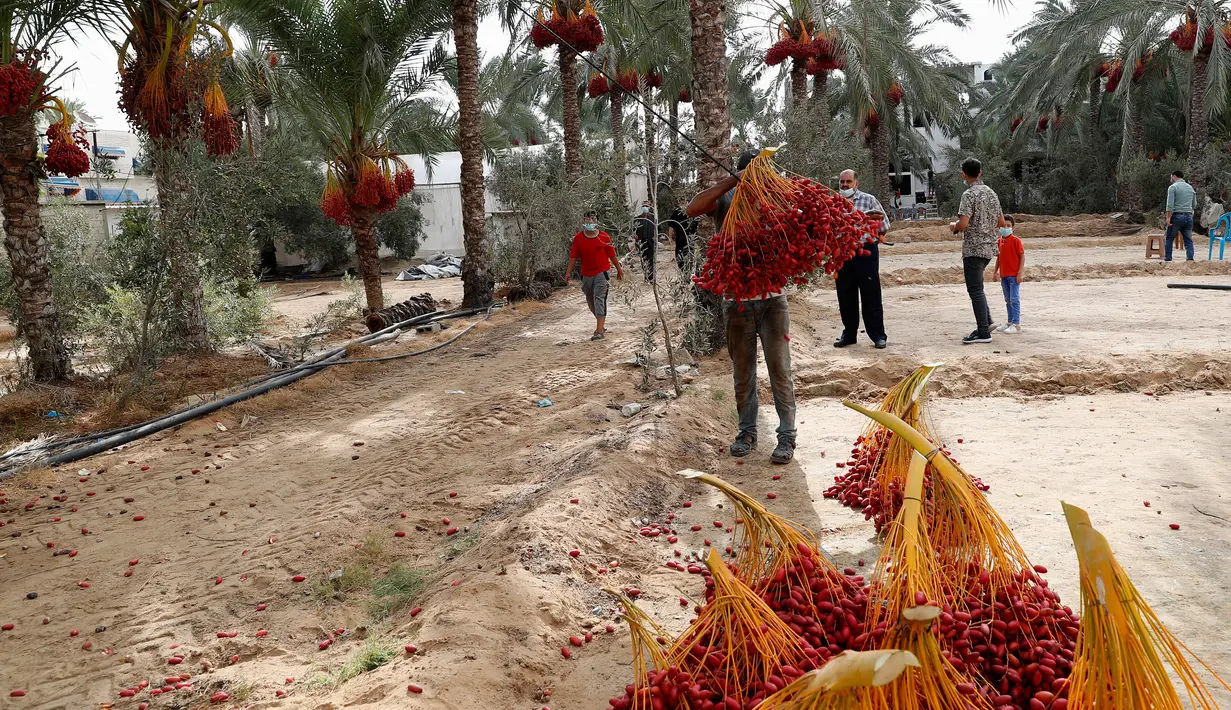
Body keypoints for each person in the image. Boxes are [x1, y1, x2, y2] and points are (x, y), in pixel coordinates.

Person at [686, 150, 797, 465]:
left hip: (773, 299)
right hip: (736, 301)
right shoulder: (727, 198)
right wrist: (734, 180)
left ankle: (787, 438)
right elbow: (694, 208)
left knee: (780, 370)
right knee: (743, 372)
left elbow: (799, 222)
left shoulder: (774, 197)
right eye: (750, 175)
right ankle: (746, 433)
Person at [950, 157, 1008, 344]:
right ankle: (987, 321)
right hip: (989, 248)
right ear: (980, 172)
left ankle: (983, 332)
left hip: (973, 248)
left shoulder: (968, 195)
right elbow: (1001, 221)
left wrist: (954, 226)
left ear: (964, 174)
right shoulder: (991, 193)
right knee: (978, 288)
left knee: (975, 290)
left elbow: (964, 222)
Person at [833, 169, 890, 349]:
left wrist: (875, 234)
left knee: (871, 294)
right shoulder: (833, 202)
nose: (844, 185)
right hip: (842, 253)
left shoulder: (869, 200)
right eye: (842, 182)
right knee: (845, 295)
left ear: (856, 184)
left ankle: (878, 336)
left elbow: (884, 224)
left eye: (848, 182)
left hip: (865, 252)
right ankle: (849, 334)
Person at [564, 210, 624, 340]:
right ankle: (601, 322)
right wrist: (568, 272)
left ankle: (599, 330)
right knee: (591, 301)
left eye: (592, 218)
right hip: (586, 275)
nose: (589, 221)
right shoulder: (578, 238)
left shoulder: (604, 237)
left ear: (596, 221)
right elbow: (573, 257)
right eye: (587, 219)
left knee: (599, 298)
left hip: (602, 273)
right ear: (583, 221)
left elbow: (612, 255)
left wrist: (619, 269)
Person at [992, 214, 1025, 334]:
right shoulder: (999, 241)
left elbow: (1022, 257)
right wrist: (995, 272)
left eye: (1008, 226)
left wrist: (1019, 273)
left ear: (1012, 227)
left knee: (1014, 299)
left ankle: (1016, 324)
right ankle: (1010, 321)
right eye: (1003, 225)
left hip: (1013, 275)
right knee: (1008, 299)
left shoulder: (1016, 241)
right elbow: (999, 258)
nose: (1006, 228)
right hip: (1004, 275)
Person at [1164, 170, 1196, 262]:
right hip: (1188, 216)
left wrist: (1168, 217)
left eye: (1171, 176)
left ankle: (1168, 259)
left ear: (1174, 176)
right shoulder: (1190, 188)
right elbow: (1194, 204)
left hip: (1177, 216)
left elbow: (1170, 205)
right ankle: (1190, 259)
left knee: (1169, 238)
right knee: (1188, 239)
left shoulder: (1173, 187)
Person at [666, 198, 698, 270]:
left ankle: (688, 273)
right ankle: (682, 271)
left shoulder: (692, 211)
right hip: (680, 239)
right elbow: (671, 225)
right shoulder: (676, 213)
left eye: (685, 203)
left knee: (689, 256)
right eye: (682, 203)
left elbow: (696, 225)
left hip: (690, 239)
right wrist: (670, 237)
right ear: (679, 204)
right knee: (679, 256)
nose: (683, 205)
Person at [633, 200, 657, 281]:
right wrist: (635, 237)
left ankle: (651, 277)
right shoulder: (637, 219)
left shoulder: (653, 218)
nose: (645, 208)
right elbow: (633, 231)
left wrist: (656, 237)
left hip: (651, 242)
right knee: (644, 259)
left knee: (651, 259)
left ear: (650, 207)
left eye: (646, 206)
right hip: (641, 243)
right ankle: (646, 276)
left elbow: (659, 230)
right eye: (643, 206)